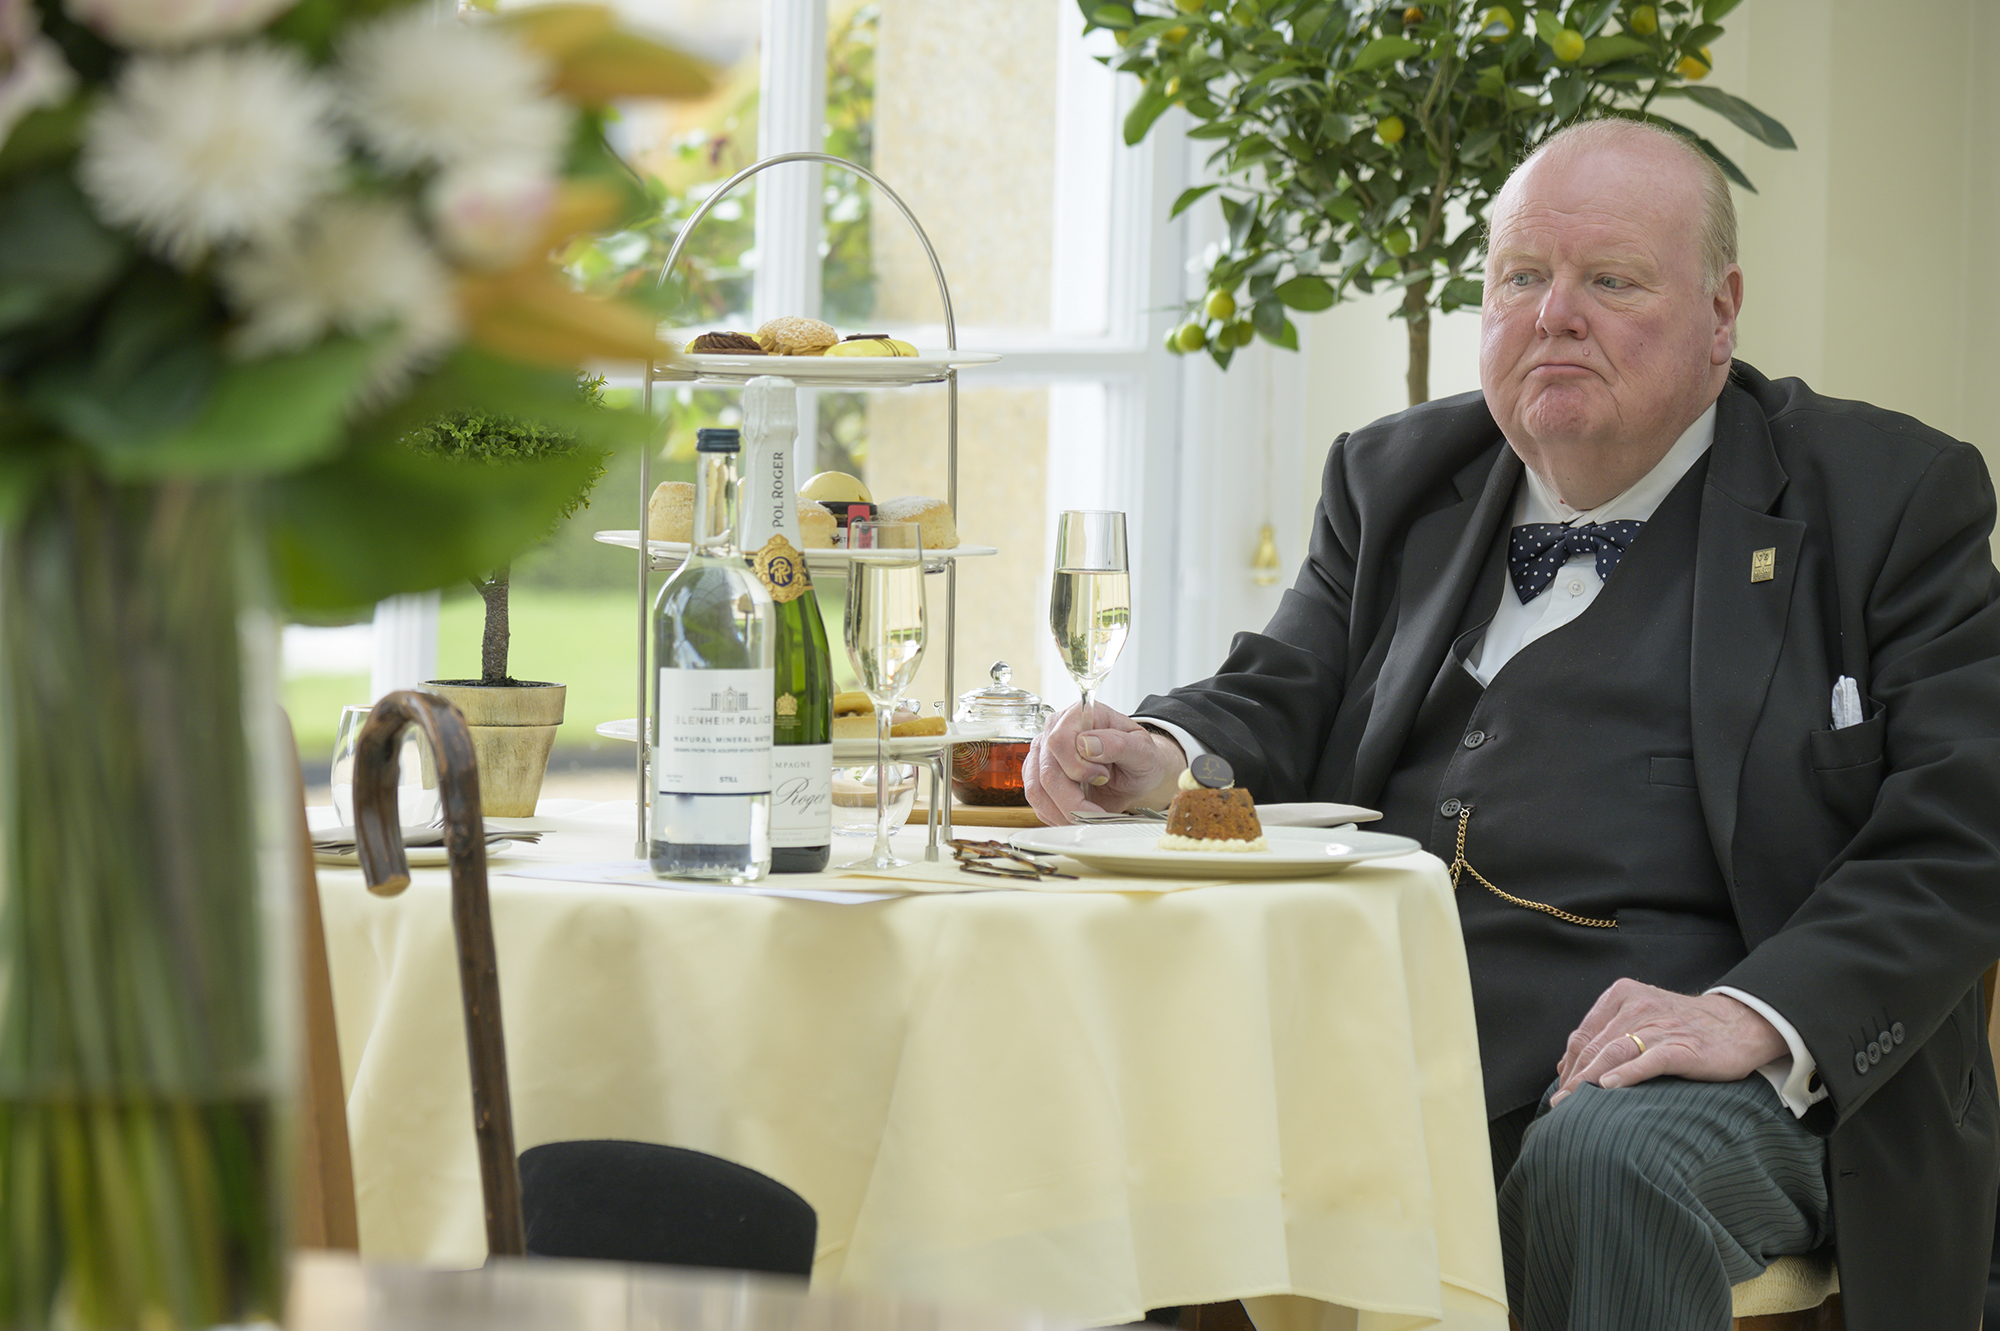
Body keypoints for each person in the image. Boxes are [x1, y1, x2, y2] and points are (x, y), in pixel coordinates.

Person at [1025, 118, 2000, 1331]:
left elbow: (1964, 828)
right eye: (1520, 278)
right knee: (1068, 1080)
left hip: (1707, 1059)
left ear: (1719, 311)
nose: (1553, 316)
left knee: (1607, 1155)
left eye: (1610, 280)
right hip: (1376, 1030)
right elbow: (1280, 685)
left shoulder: (1886, 497)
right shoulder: (1391, 475)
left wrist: (1748, 1014)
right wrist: (1158, 754)